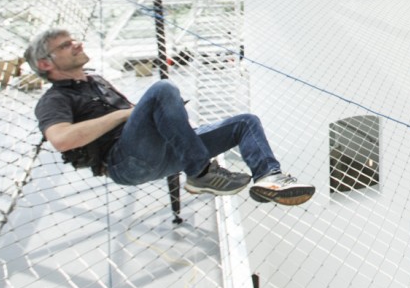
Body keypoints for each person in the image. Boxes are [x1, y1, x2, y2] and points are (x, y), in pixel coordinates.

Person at [23, 29, 315, 205]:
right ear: (46, 63)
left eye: (73, 40)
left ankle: (270, 177)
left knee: (245, 123)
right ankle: (201, 174)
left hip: (163, 153)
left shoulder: (95, 80)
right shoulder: (55, 100)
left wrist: (161, 114)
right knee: (163, 87)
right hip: (125, 162)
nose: (77, 45)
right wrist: (127, 114)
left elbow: (133, 116)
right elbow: (61, 139)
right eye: (65, 45)